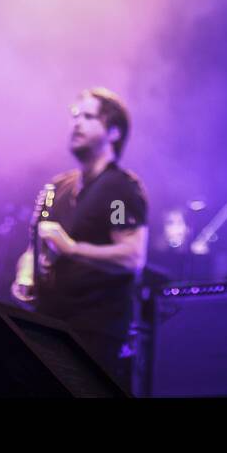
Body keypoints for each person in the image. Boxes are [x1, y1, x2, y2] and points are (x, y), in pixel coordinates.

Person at [11, 87, 149, 391]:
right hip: (48, 329)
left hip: (94, 336)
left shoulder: (117, 190)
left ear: (113, 132)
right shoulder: (56, 187)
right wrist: (25, 274)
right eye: (75, 116)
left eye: (88, 117)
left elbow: (132, 256)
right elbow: (32, 249)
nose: (77, 123)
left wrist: (71, 249)